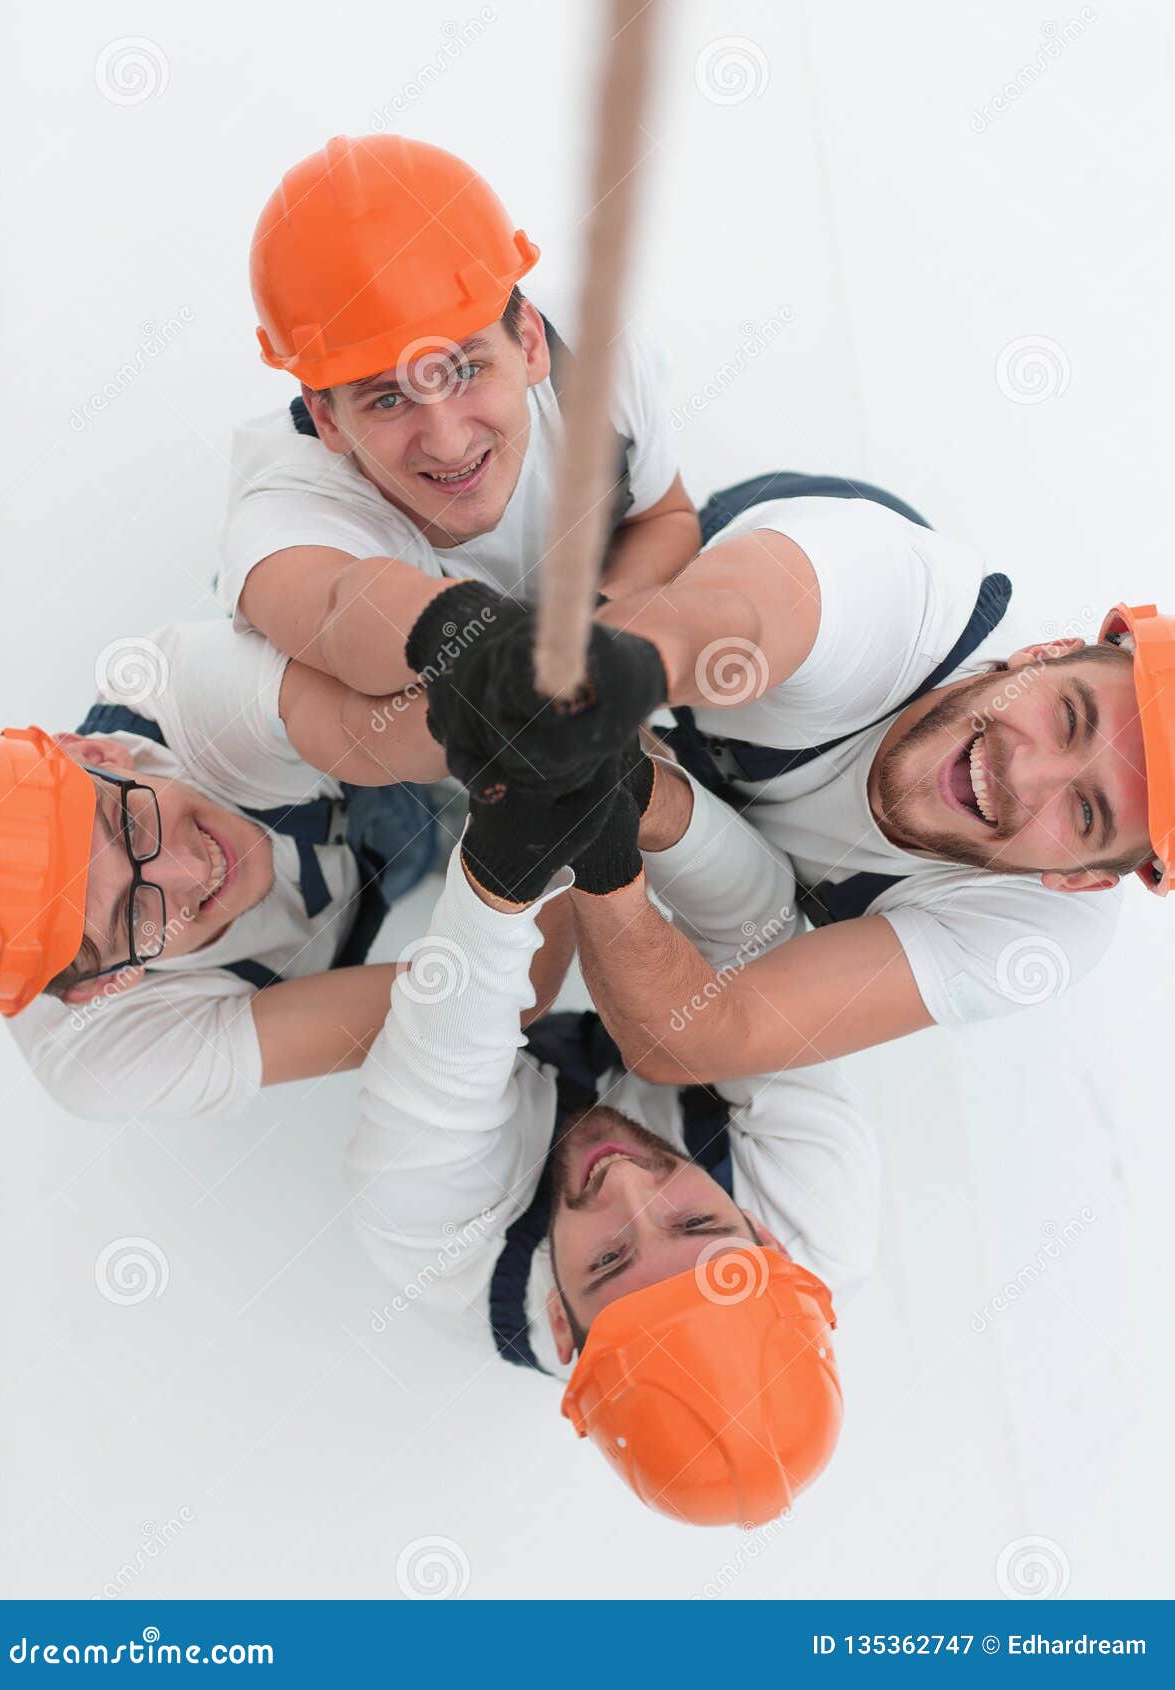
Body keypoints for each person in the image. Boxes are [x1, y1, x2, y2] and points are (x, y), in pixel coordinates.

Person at [418, 480, 1175, 1075]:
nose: (1026, 773)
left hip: (701, 794)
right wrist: (614, 672)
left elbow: (704, 1040)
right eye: (1069, 718)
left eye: (1083, 814)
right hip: (737, 584)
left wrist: (604, 857)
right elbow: (728, 618)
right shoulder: (893, 591)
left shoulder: (1037, 939)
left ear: (1082, 881)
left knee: (528, 983)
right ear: (1040, 653)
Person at [345, 725, 879, 1525]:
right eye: (696, 1219)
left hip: (489, 1076)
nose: (625, 1178)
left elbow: (452, 1035)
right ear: (767, 1238)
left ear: (562, 1324)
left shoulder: (426, 1234)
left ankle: (395, 841)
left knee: (492, 978)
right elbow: (755, 932)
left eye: (610, 1257)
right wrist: (630, 792)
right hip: (667, 1038)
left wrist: (527, 808)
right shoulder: (820, 1204)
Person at [0, 614, 567, 1121]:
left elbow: (488, 722)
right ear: (101, 986)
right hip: (358, 879)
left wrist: (556, 751)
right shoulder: (99, 1060)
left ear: (98, 755)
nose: (190, 868)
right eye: (137, 913)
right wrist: (573, 830)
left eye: (131, 827)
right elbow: (493, 1003)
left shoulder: (174, 689)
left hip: (333, 767)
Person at [217, 133, 700, 708]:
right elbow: (339, 613)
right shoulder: (286, 504)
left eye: (465, 371)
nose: (447, 444)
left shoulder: (595, 357)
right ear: (328, 418)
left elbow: (665, 518)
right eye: (388, 401)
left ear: (528, 342)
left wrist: (594, 632)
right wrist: (510, 661)